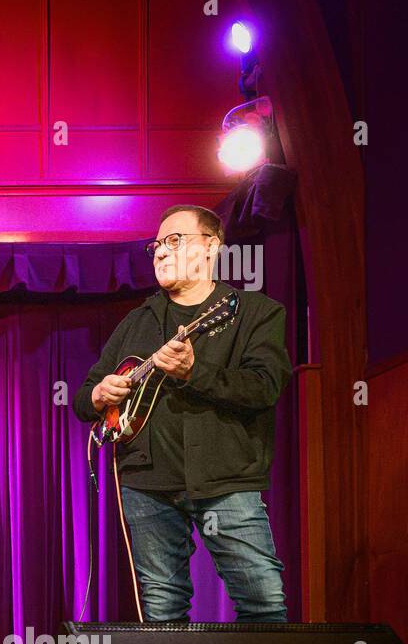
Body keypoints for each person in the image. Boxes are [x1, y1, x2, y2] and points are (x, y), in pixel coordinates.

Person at [74, 204, 291, 622]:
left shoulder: (255, 312)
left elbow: (264, 387)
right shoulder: (136, 322)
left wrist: (196, 372)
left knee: (263, 603)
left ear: (211, 247)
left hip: (226, 479)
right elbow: (84, 399)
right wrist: (101, 393)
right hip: (146, 483)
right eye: (157, 245)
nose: (160, 252)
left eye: (175, 240)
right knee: (162, 611)